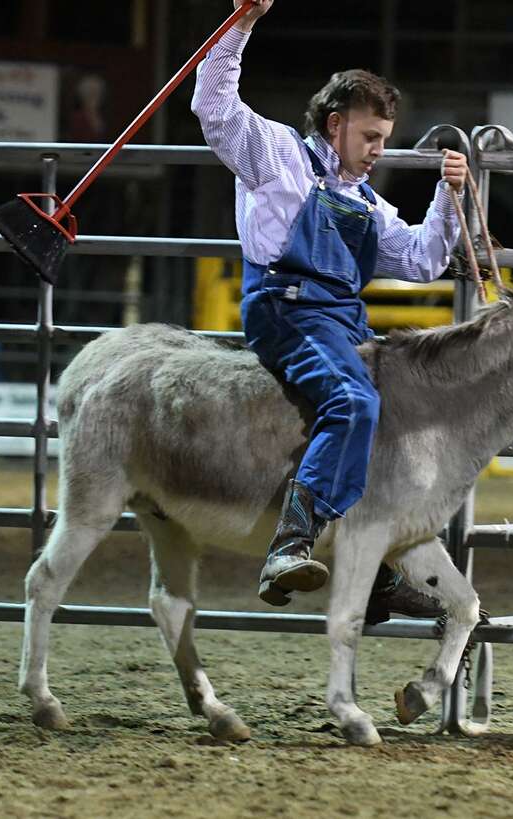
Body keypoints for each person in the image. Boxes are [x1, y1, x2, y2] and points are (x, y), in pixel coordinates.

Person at [191, 0, 468, 620]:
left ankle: (371, 575)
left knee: (399, 424)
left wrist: (449, 198)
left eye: (383, 140)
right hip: (286, 312)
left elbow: (423, 259)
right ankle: (289, 543)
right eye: (370, 137)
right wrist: (241, 23)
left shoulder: (369, 204)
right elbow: (213, 106)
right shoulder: (276, 155)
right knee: (352, 402)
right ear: (335, 123)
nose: (377, 151)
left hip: (343, 324)